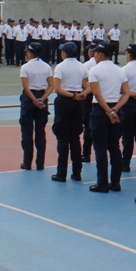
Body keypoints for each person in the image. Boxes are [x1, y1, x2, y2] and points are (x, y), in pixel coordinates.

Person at [87, 42, 130, 193]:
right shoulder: (119, 70)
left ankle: (102, 182)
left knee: (100, 147)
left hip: (100, 109)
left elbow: (97, 94)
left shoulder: (94, 70)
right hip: (116, 107)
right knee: (114, 147)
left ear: (99, 54)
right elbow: (126, 93)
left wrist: (108, 111)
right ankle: (116, 182)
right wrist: (116, 108)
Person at [51, 42, 88, 183]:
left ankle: (61, 173)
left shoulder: (60, 67)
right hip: (78, 102)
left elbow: (58, 89)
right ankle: (77, 172)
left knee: (62, 138)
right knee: (75, 138)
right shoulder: (82, 66)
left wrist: (72, 95)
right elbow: (88, 85)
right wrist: (81, 94)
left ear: (64, 53)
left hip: (64, 101)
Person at [19, 42, 53, 170]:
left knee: (27, 132)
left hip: (29, 99)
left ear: (30, 53)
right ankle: (40, 163)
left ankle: (27, 162)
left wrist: (34, 100)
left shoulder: (25, 67)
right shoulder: (46, 66)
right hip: (42, 96)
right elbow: (51, 85)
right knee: (40, 131)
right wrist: (42, 99)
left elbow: (26, 87)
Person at [120, 44, 136, 172]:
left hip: (128, 103)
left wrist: (133, 94)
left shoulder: (124, 70)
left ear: (129, 55)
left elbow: (121, 89)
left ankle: (125, 163)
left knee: (127, 136)